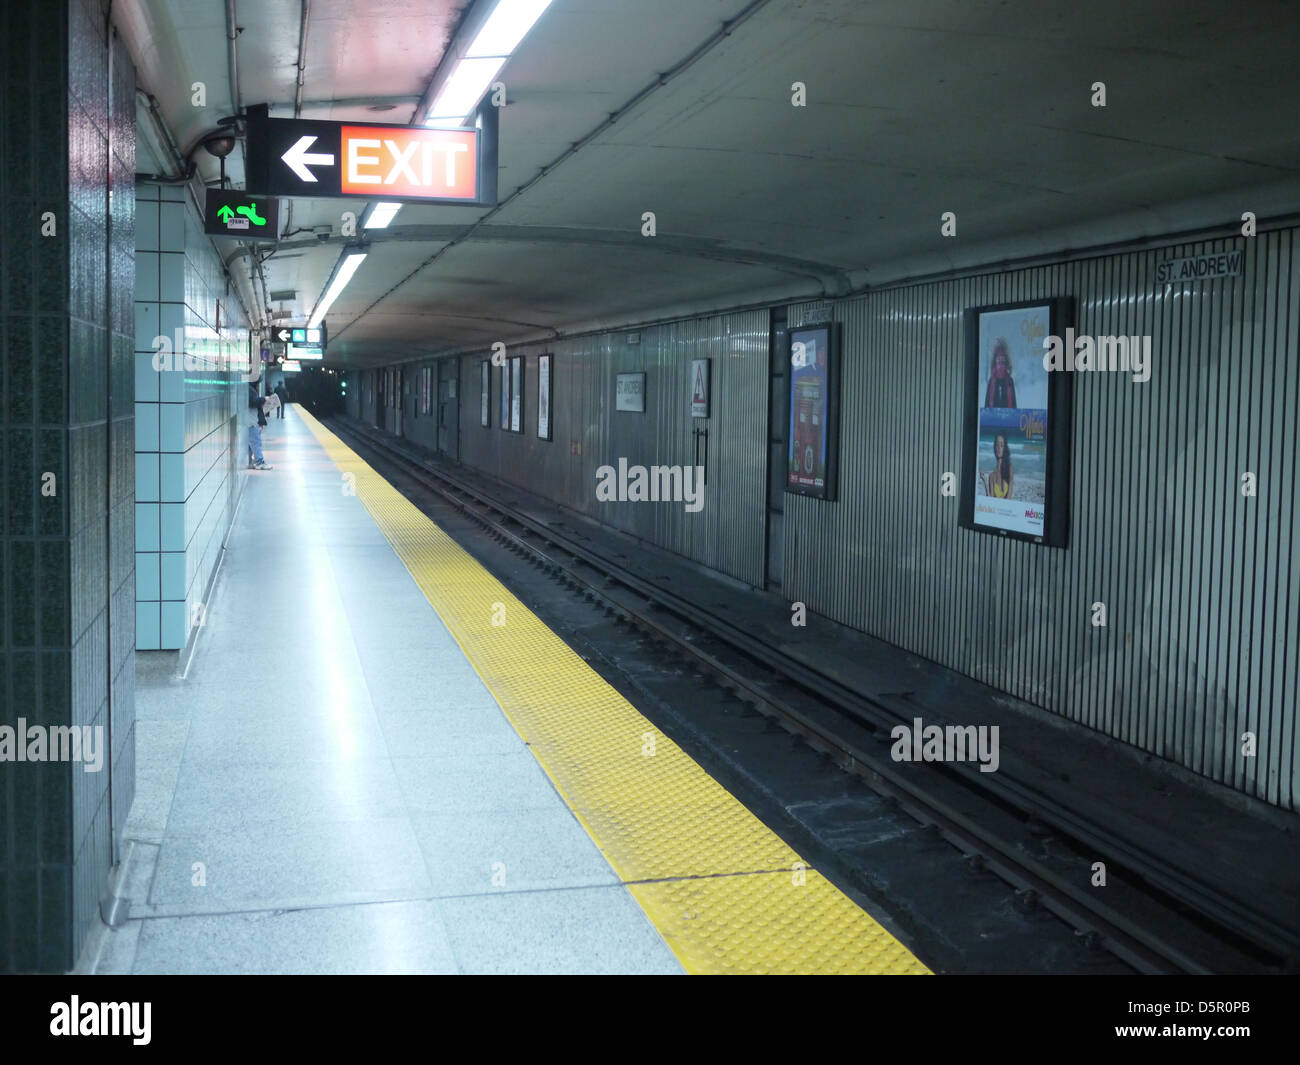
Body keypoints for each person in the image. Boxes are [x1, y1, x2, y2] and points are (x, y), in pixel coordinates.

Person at [247, 373, 273, 470]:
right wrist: (264, 399)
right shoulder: (250, 390)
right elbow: (253, 402)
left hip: (251, 419)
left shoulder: (248, 388)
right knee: (256, 442)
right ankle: (259, 462)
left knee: (251, 443)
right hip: (252, 420)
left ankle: (249, 462)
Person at [984, 338, 1017, 408]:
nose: (1000, 365)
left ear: (1006, 363)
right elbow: (986, 407)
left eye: (1003, 360)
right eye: (998, 360)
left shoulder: (1010, 381)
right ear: (995, 362)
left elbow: (1014, 406)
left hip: (1007, 418)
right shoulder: (991, 381)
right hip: (993, 418)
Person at [980, 432, 1013, 499]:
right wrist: (984, 481)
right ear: (994, 448)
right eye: (997, 445)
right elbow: (990, 500)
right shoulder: (992, 476)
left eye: (1001, 445)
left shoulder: (1009, 468)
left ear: (1005, 448)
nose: (999, 448)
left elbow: (1009, 496)